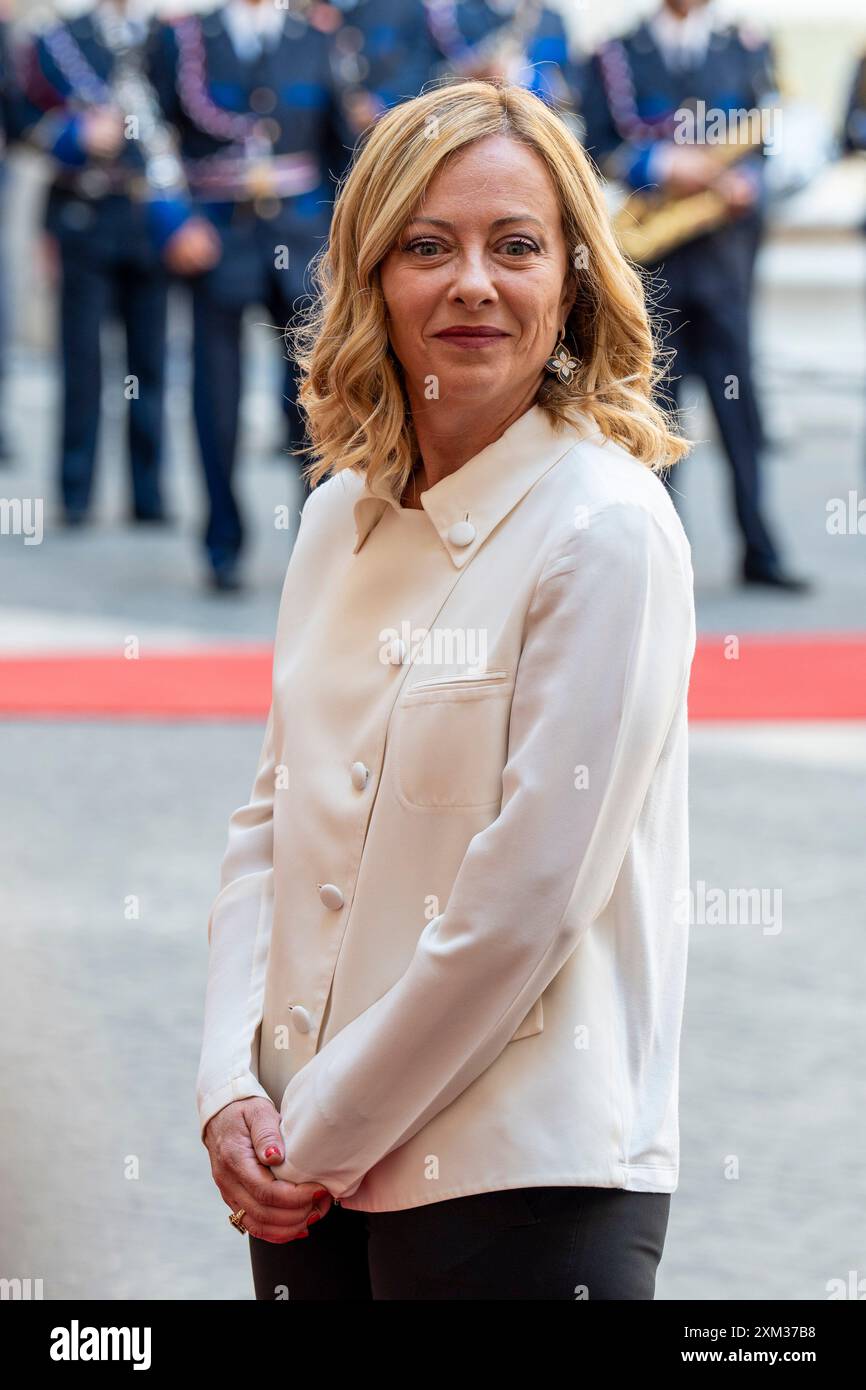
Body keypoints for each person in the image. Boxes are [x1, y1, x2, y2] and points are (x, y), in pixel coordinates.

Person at [196, 78, 697, 1300]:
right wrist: (227, 1090)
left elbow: (522, 905)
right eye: (427, 246)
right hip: (301, 1186)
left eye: (514, 245)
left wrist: (310, 1136)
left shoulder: (603, 528)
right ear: (371, 279)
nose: (473, 282)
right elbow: (266, 825)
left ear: (571, 277)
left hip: (519, 1184)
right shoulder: (332, 522)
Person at [581, 0, 811, 591]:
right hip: (653, 261)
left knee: (740, 409)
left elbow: (771, 146)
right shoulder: (616, 52)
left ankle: (759, 549)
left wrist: (745, 183)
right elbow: (596, 146)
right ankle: (661, 554)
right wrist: (662, 163)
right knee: (655, 412)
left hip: (726, 260)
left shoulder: (748, 45)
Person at [147, 0, 356, 592]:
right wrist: (173, 222)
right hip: (214, 238)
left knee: (316, 397)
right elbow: (153, 143)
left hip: (302, 243)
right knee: (215, 398)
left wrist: (347, 245)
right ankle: (221, 542)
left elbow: (341, 150)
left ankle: (317, 541)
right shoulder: (184, 38)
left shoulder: (314, 37)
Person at [13, 0, 177, 526]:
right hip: (83, 213)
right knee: (81, 363)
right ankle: (75, 491)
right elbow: (20, 117)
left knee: (148, 364)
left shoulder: (167, 36)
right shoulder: (59, 37)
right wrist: (74, 137)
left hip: (146, 214)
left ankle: (148, 495)